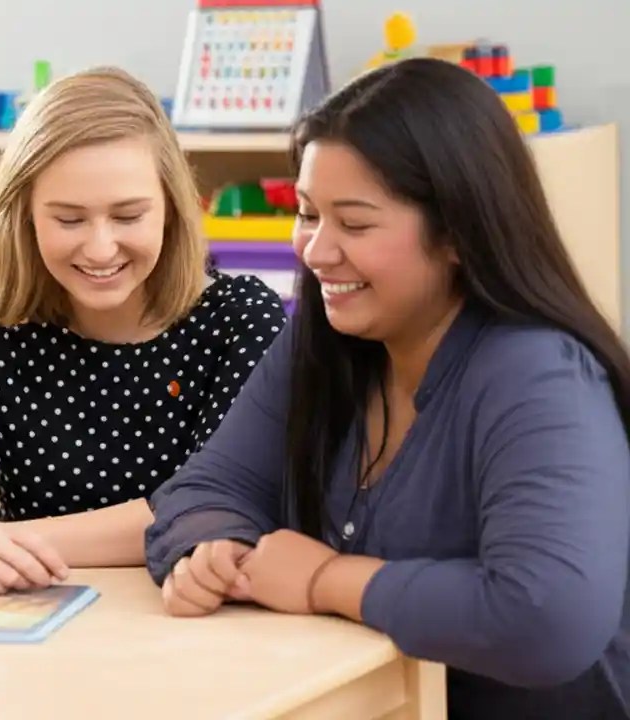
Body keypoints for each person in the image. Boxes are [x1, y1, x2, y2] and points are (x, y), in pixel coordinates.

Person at [146, 57, 630, 718]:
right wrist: (215, 549)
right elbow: (207, 488)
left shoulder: (537, 374)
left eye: (354, 223)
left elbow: (547, 619)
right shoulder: (326, 337)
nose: (314, 250)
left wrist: (325, 579)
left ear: (458, 233)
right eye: (308, 213)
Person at [0, 66, 287, 594]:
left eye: (128, 216)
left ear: (172, 208)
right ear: (25, 215)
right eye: (69, 220)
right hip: (40, 622)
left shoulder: (240, 317)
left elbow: (210, 505)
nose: (101, 248)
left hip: (187, 623)